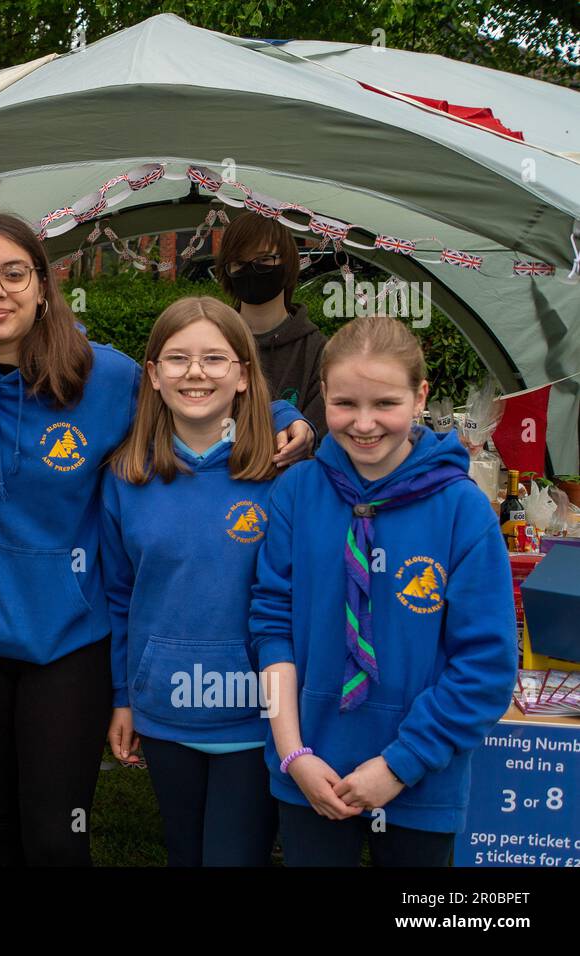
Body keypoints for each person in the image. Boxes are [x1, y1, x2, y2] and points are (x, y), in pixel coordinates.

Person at [0, 212, 314, 866]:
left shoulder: (106, 377)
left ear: (43, 286)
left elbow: (194, 393)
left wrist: (280, 413)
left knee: (57, 834)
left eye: (14, 273)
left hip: (70, 638)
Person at [249, 315, 517, 866]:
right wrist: (291, 750)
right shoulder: (296, 492)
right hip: (310, 767)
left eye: (385, 404)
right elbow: (271, 627)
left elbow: (487, 664)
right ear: (323, 394)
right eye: (345, 404)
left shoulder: (462, 509)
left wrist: (401, 763)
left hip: (424, 775)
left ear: (420, 397)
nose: (364, 424)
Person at [101, 296, 280, 866]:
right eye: (177, 359)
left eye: (214, 359)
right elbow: (118, 597)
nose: (195, 372)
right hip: (164, 708)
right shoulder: (126, 478)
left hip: (254, 715)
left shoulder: (283, 477)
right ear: (152, 375)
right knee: (183, 854)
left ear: (244, 375)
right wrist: (124, 698)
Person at [216, 213, 327, 441]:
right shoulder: (211, 341)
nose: (251, 270)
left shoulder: (316, 351)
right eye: (239, 263)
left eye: (264, 260)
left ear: (287, 263)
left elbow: (317, 438)